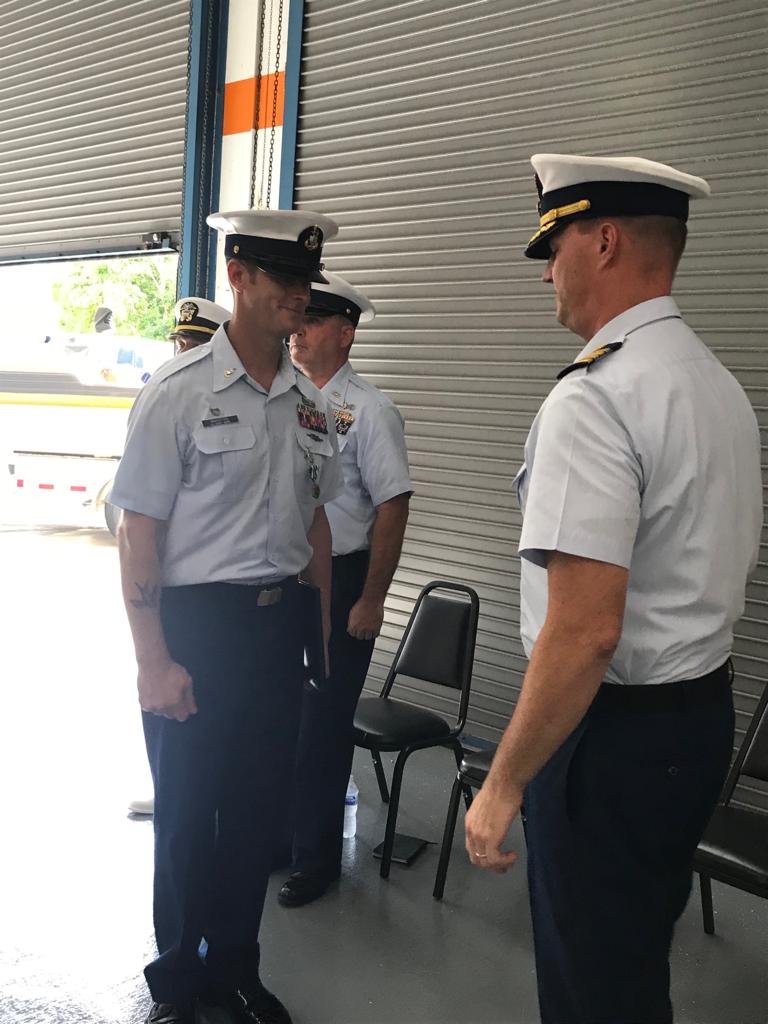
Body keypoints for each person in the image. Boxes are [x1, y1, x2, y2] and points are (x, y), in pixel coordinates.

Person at [464, 153, 763, 1024]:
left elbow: (585, 632)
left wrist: (506, 782)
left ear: (603, 241)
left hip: (612, 743)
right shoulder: (718, 388)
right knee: (633, 960)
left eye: (553, 246)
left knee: (593, 982)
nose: (547, 271)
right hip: (697, 719)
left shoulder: (595, 399)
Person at [110, 208, 343, 1024]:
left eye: (306, 282)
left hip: (277, 634)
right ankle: (178, 980)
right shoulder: (176, 395)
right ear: (237, 277)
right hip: (197, 632)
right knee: (185, 815)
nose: (299, 297)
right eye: (283, 280)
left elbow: (315, 523)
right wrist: (153, 660)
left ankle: (237, 966)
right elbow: (139, 531)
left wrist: (315, 647)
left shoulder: (309, 406)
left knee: (254, 814)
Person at [279, 272, 412, 907]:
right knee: (283, 718)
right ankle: (283, 837)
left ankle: (316, 860)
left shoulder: (372, 411)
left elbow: (392, 507)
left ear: (345, 333)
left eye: (313, 320)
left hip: (347, 584)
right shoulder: (286, 398)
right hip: (291, 578)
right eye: (297, 318)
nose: (297, 329)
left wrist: (372, 599)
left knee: (323, 727)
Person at [127, 296, 232, 820]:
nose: (181, 351)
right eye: (178, 342)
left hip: (215, 598)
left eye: (193, 343)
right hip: (165, 590)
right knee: (166, 701)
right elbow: (138, 516)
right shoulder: (161, 396)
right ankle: (168, 789)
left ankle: (186, 797)